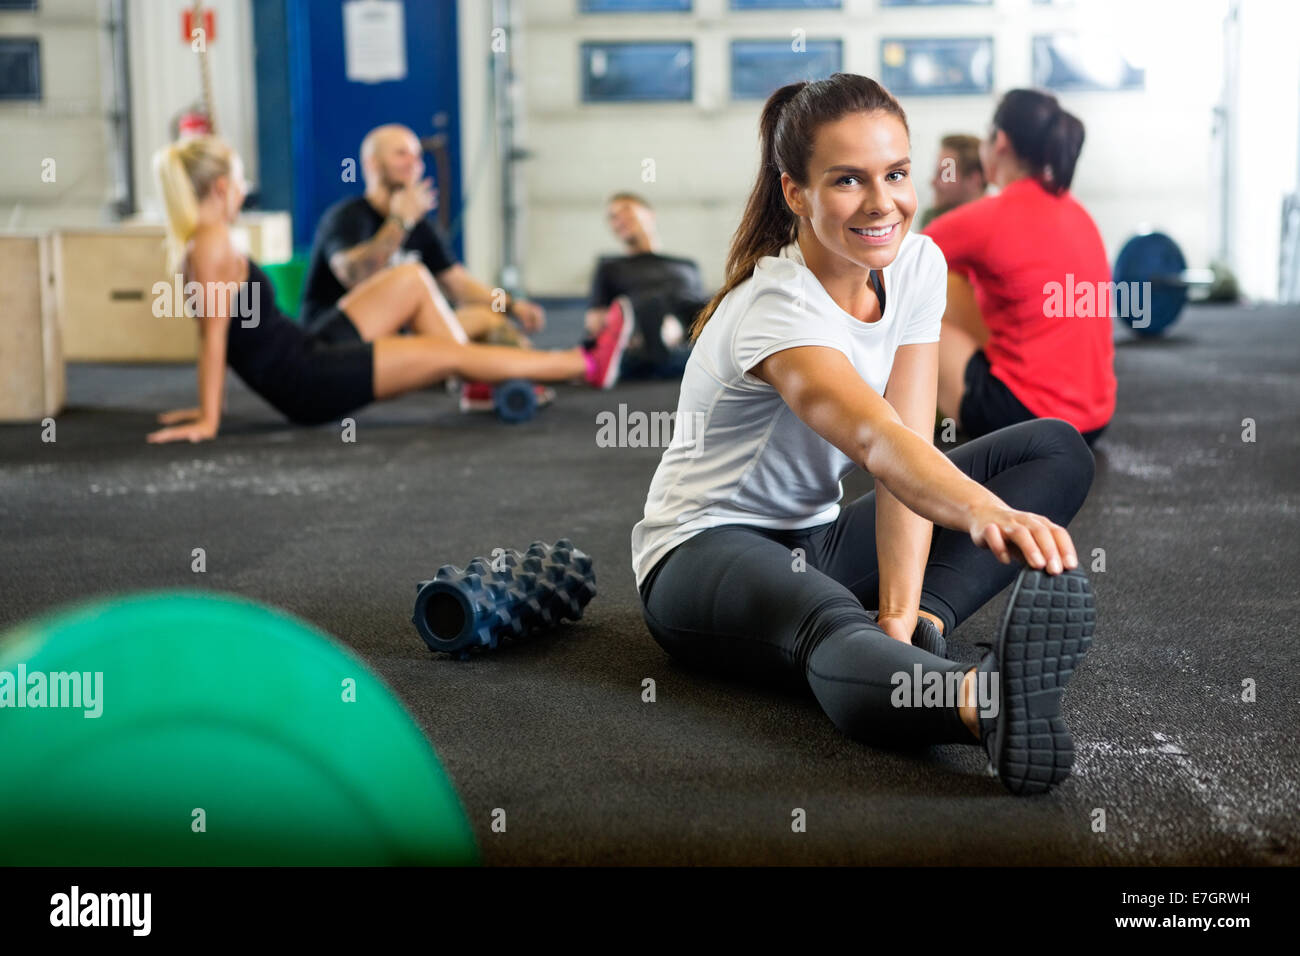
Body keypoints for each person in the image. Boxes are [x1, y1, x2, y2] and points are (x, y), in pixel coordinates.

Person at [631, 74, 1098, 795]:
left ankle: (920, 642)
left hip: (814, 538)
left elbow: (908, 444)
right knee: (825, 623)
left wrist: (901, 614)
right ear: (796, 193)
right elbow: (877, 440)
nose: (883, 203)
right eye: (848, 180)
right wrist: (982, 510)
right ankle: (980, 702)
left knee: (1054, 449)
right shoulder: (776, 307)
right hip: (702, 549)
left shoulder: (915, 265)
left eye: (897, 174)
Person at [146, 137, 631, 444]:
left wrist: (209, 409)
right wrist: (208, 421)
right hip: (307, 380)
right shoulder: (211, 242)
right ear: (220, 188)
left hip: (308, 349)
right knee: (447, 352)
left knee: (413, 279)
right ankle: (580, 363)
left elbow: (221, 338)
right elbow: (214, 337)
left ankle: (481, 378)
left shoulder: (202, 242)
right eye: (240, 183)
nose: (244, 192)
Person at [924, 90, 1115, 444]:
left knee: (917, 301)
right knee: (963, 279)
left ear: (1000, 142)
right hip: (1093, 420)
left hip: (1024, 419)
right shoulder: (1079, 213)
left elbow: (892, 263)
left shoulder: (987, 217)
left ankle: (894, 440)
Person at [299, 124, 544, 345]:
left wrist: (510, 304)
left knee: (487, 317)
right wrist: (400, 222)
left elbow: (459, 284)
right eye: (401, 153)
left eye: (417, 156)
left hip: (395, 333)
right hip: (337, 338)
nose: (413, 163)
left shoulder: (421, 226)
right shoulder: (347, 216)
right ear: (373, 163)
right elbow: (354, 276)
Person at [584, 192, 711, 380]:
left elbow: (703, 312)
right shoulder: (609, 267)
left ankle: (674, 340)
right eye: (612, 217)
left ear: (650, 214)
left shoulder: (687, 265)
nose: (619, 219)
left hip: (687, 329)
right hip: (641, 331)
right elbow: (595, 322)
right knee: (651, 304)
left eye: (626, 210)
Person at [917, 134, 986, 230]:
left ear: (973, 179)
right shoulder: (932, 219)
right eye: (936, 172)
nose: (932, 182)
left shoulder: (999, 224)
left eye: (944, 174)